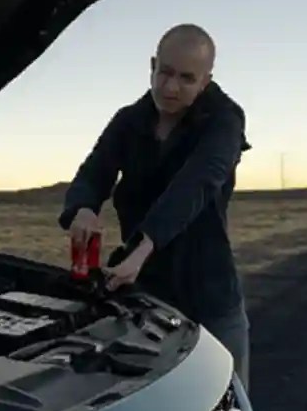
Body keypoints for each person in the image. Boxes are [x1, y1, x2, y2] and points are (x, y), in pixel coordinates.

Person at [59, 23, 253, 389]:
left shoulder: (225, 120)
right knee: (153, 402)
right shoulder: (128, 121)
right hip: (146, 298)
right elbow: (94, 171)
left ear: (206, 81)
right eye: (164, 72)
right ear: (152, 65)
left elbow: (196, 184)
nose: (170, 87)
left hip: (210, 294)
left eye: (186, 78)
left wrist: (143, 247)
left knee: (230, 404)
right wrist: (83, 209)